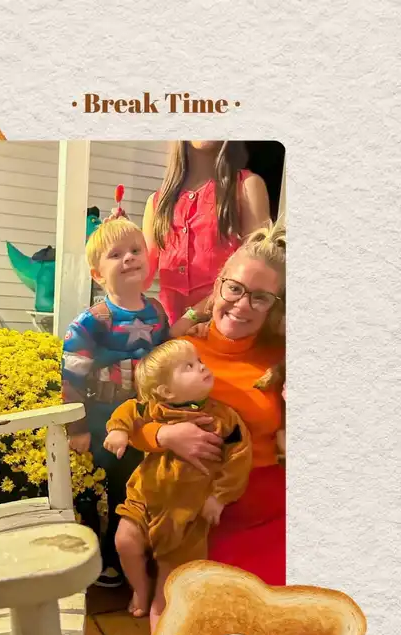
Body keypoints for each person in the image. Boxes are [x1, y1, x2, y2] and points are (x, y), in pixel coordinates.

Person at [111, 220, 286, 589]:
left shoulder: (283, 357)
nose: (242, 305)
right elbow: (135, 418)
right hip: (197, 516)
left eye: (260, 297)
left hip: (271, 514)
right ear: (218, 284)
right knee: (206, 606)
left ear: (275, 306)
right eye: (234, 288)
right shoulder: (182, 351)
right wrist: (165, 436)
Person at [103, 339, 252, 634]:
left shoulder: (224, 419)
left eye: (199, 362)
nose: (202, 367)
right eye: (189, 367)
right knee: (125, 542)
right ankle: (140, 589)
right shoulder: (154, 409)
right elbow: (128, 411)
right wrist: (118, 431)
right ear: (167, 392)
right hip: (144, 496)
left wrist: (219, 497)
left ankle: (161, 622)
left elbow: (239, 456)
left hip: (186, 511)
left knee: (170, 576)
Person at [61, 216, 171, 588]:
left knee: (132, 487)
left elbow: (166, 363)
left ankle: (123, 554)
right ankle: (95, 554)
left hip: (143, 417)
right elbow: (72, 376)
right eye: (116, 254)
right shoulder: (91, 322)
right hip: (102, 418)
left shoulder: (156, 313)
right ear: (97, 274)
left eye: (136, 250)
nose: (129, 258)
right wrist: (77, 427)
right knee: (96, 488)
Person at [142, 141, 271, 325]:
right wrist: (118, 244)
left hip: (223, 331)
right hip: (170, 333)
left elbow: (255, 272)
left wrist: (191, 317)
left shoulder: (246, 186)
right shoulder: (157, 202)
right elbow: (141, 278)